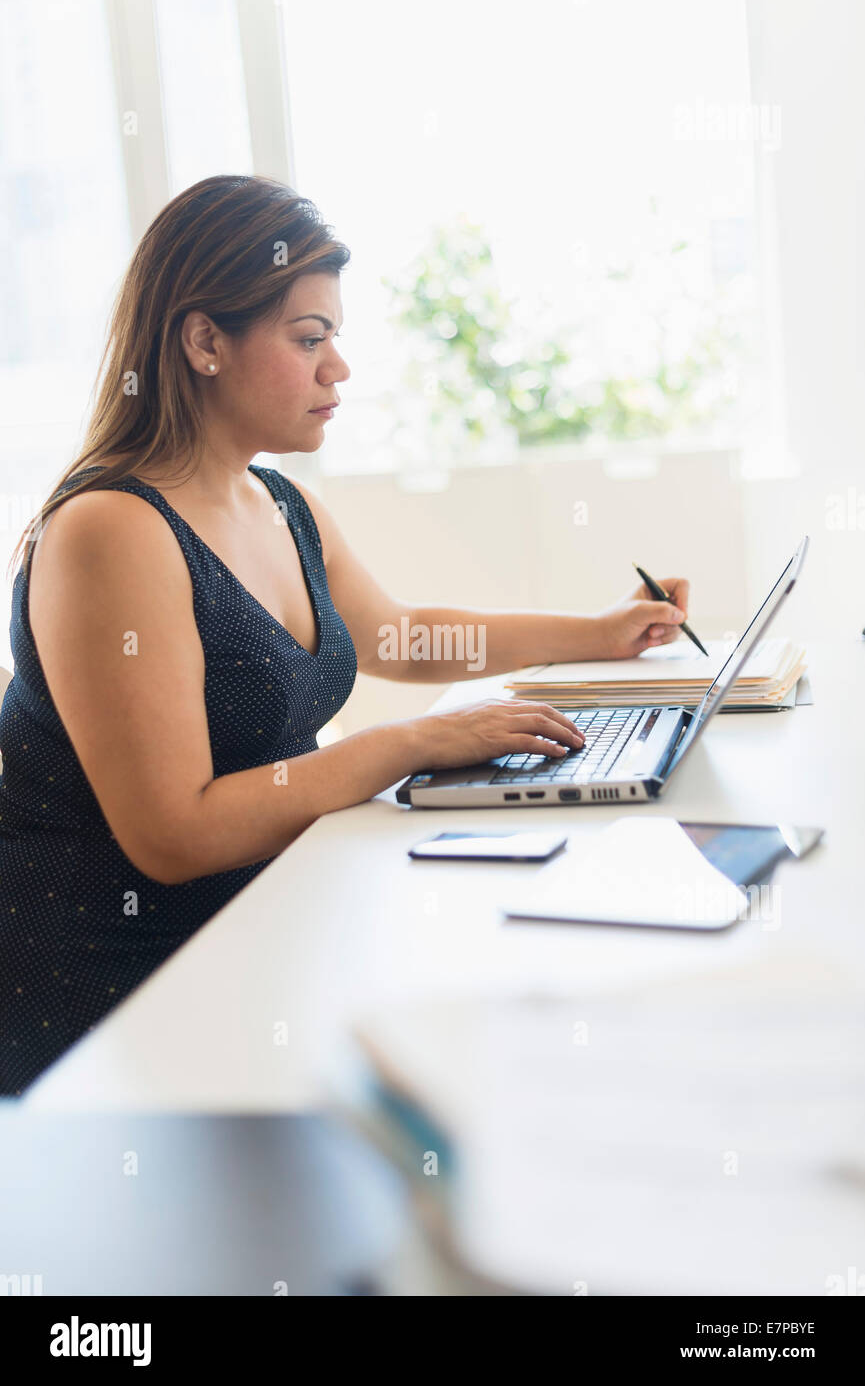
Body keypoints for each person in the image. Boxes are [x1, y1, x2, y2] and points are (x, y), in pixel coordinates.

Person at [0, 175, 689, 1095]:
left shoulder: (277, 503)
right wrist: (407, 745)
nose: (339, 369)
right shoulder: (110, 532)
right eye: (309, 338)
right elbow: (173, 834)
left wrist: (599, 635)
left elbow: (402, 640)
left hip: (260, 925)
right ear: (204, 341)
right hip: (119, 993)